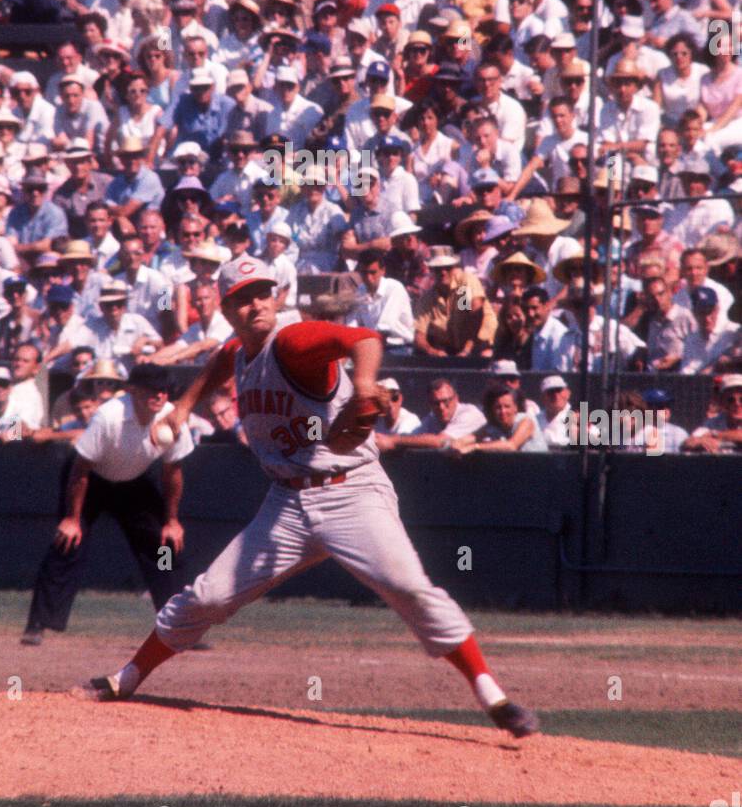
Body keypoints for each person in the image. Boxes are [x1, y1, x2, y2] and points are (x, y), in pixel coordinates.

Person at [80, 255, 538, 739]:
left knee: (409, 588)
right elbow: (222, 360)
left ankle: (492, 693)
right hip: (288, 505)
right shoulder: (240, 350)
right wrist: (185, 406)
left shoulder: (294, 340)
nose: (255, 304)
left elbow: (365, 338)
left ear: (277, 296)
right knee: (207, 595)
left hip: (352, 492)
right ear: (227, 308)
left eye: (262, 293)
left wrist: (362, 384)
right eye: (241, 299)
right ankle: (127, 677)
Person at [21, 363, 193, 645]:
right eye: (152, 390)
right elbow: (80, 469)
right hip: (90, 480)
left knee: (164, 550)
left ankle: (178, 623)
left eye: (164, 391)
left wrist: (171, 521)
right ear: (133, 391)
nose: (160, 396)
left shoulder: (172, 419)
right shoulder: (109, 416)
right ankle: (38, 624)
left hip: (134, 482)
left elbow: (172, 471)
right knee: (67, 544)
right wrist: (73, 518)